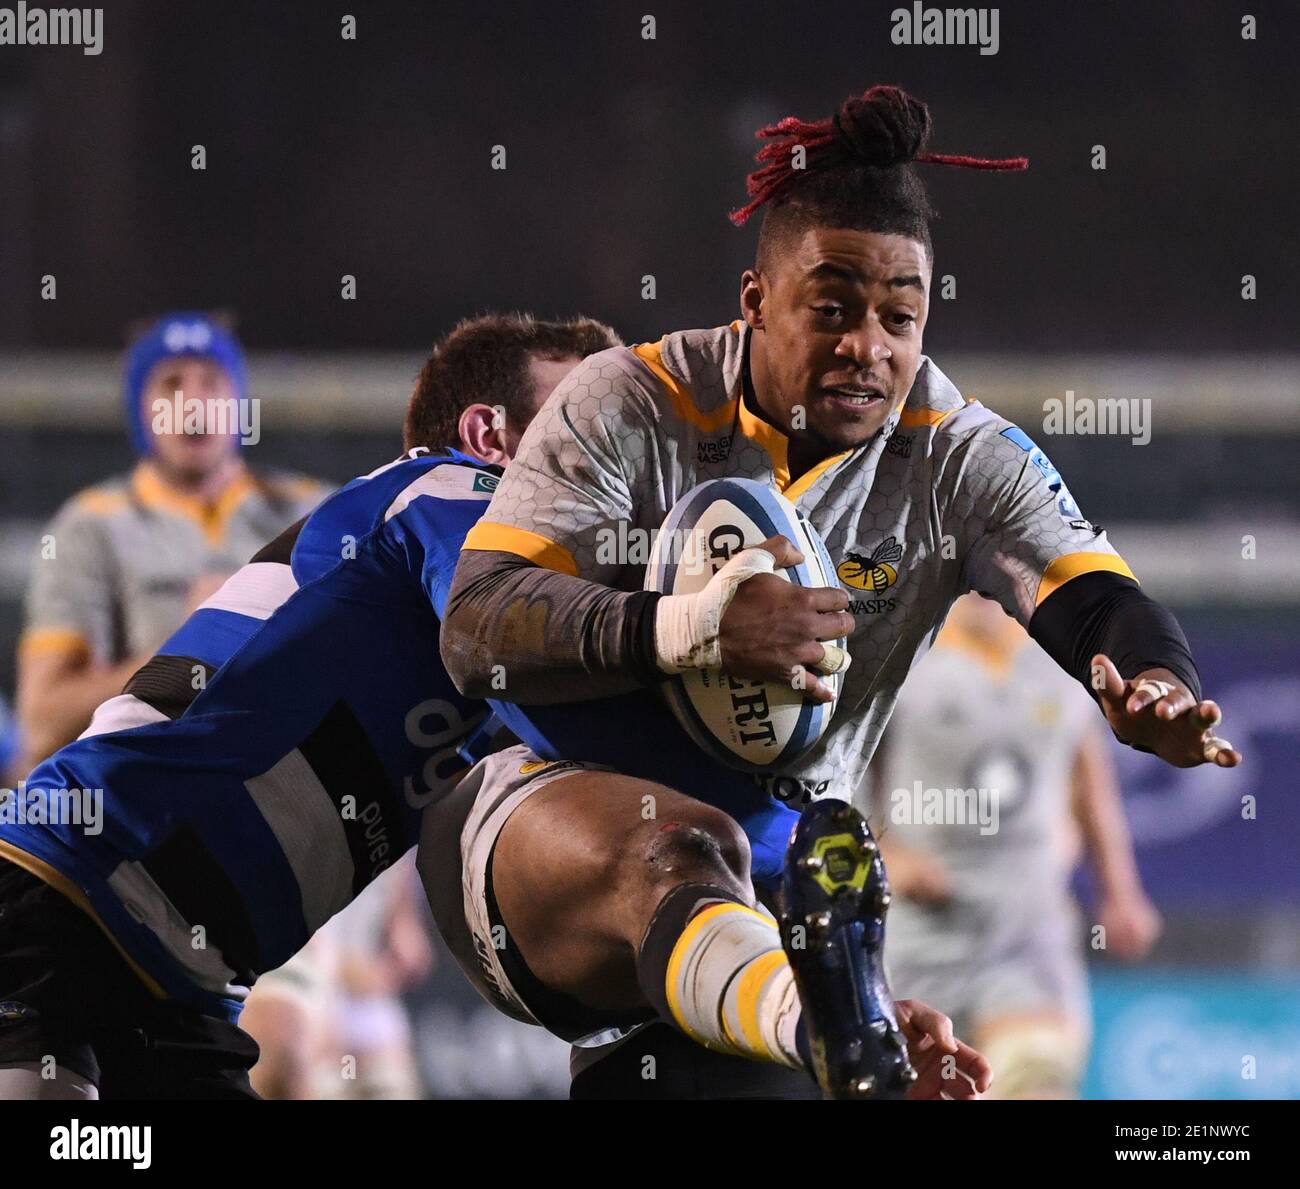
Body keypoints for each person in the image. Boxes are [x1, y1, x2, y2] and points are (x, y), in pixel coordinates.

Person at [432, 84, 1240, 1100]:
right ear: (755, 300)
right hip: (537, 836)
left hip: (779, 901)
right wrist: (695, 629)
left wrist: (1157, 682)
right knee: (680, 846)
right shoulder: (631, 401)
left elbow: (1096, 595)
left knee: (721, 1064)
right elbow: (475, 626)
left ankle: (830, 1028)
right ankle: (822, 1013)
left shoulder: (957, 456)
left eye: (900, 317)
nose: (869, 346)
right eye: (833, 307)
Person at [0, 314, 620, 1099]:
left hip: (193, 969)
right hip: (71, 885)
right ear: (488, 437)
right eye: (588, 416)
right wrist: (696, 626)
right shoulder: (455, 496)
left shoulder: (343, 512)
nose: (615, 445)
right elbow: (566, 676)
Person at [864, 592, 1162, 1098]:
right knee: (925, 1084)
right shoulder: (900, 652)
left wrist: (1121, 891)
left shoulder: (1065, 659)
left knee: (1035, 1078)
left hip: (1026, 929)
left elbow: (1088, 778)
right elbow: (843, 777)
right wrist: (886, 858)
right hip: (918, 935)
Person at [13, 312, 327, 773]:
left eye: (211, 382)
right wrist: (187, 646)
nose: (192, 403)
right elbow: (41, 721)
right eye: (171, 385)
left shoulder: (313, 511)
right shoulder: (92, 524)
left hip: (290, 777)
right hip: (152, 788)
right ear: (140, 407)